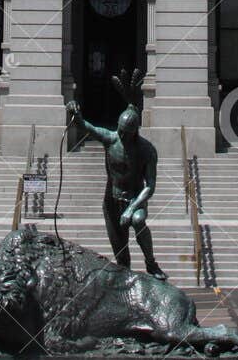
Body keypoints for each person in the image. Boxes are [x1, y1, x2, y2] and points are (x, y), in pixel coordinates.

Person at [66, 69, 165, 278]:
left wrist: (132, 209)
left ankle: (151, 263)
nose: (120, 134)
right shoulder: (110, 139)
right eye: (119, 129)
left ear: (134, 131)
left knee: (138, 221)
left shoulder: (147, 150)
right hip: (112, 200)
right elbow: (84, 125)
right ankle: (126, 280)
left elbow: (150, 186)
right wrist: (73, 110)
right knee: (121, 255)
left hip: (134, 200)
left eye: (124, 132)